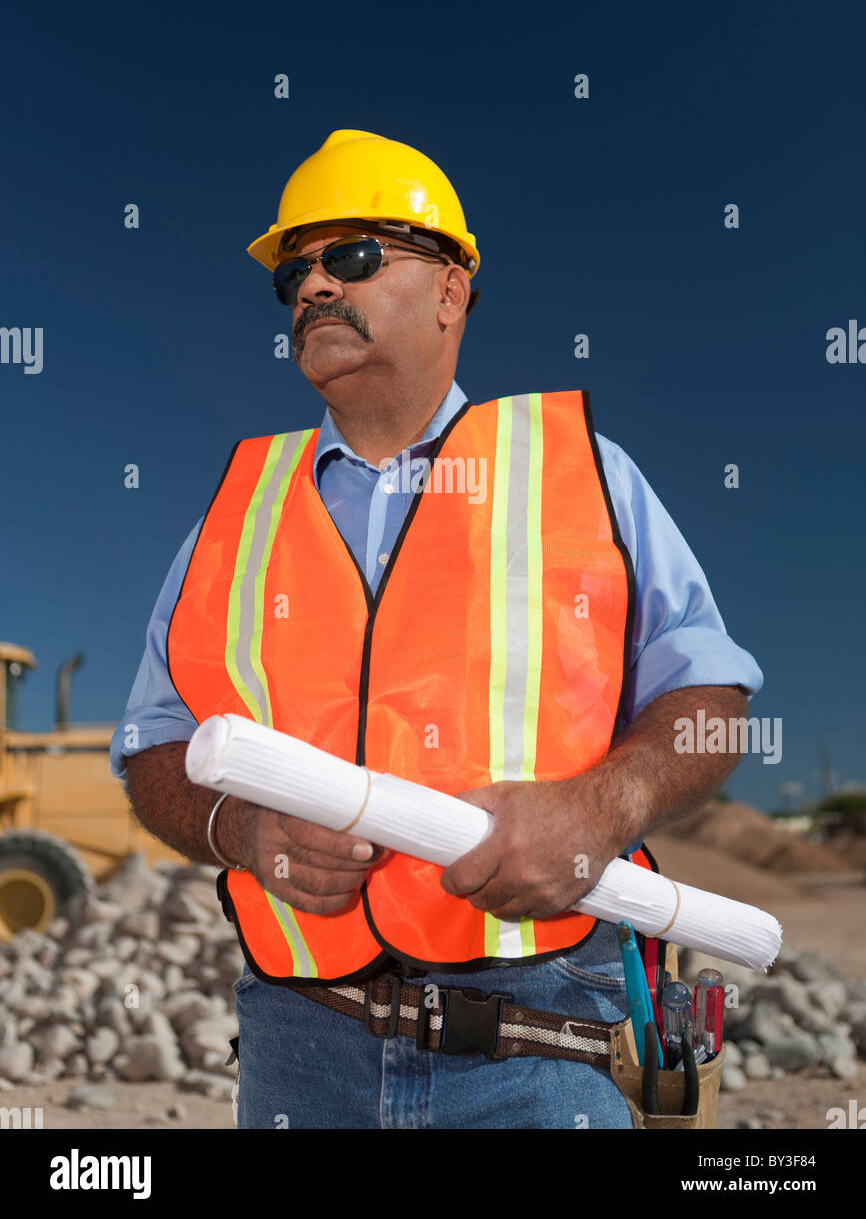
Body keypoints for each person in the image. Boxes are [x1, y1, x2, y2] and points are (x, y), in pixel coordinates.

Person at [111, 128, 763, 1130]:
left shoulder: (579, 473)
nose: (313, 287)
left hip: (538, 1043)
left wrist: (598, 807)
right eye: (295, 270)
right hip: (296, 1040)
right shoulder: (236, 509)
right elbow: (155, 745)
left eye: (353, 255)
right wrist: (235, 828)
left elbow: (708, 693)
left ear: (451, 290)